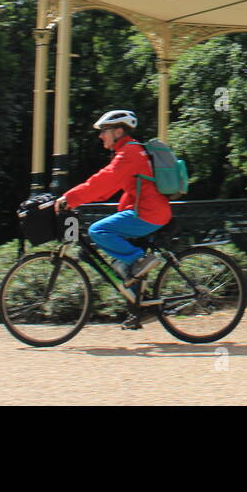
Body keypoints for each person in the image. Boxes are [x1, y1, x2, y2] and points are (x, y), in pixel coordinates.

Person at [55, 110, 170, 328]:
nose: (100, 136)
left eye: (104, 132)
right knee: (122, 263)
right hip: (147, 210)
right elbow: (108, 189)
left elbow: (103, 182)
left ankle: (139, 261)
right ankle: (141, 308)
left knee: (99, 231)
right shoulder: (129, 151)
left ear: (118, 131)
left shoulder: (129, 153)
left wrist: (70, 198)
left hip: (148, 213)